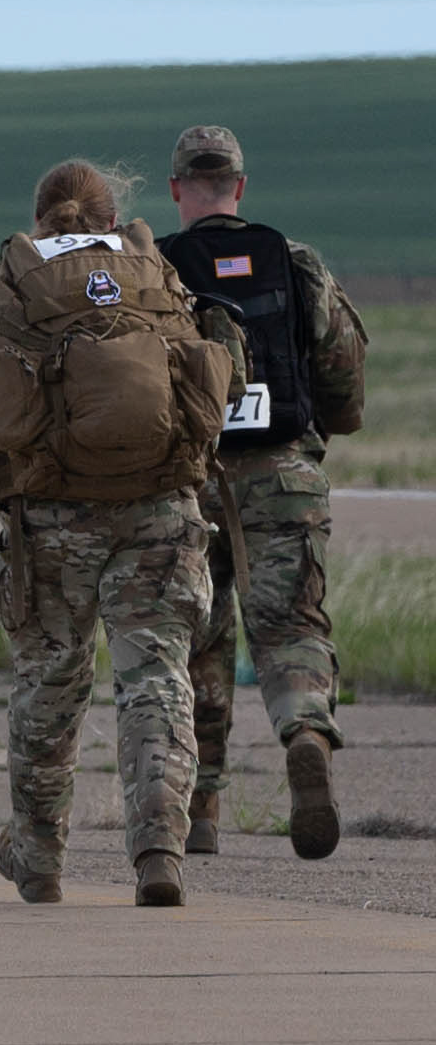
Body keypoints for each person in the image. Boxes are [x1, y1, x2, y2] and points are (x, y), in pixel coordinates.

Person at [0, 159, 245, 909]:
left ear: (40, 216)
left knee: (50, 682)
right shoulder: (153, 273)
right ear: (109, 212)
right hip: (161, 508)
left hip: (51, 520)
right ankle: (159, 845)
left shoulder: (13, 282)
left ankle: (37, 857)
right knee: (157, 678)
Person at [154, 125, 369, 861]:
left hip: (190, 483)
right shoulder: (293, 260)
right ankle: (304, 733)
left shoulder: (158, 270)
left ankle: (201, 807)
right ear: (239, 186)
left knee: (195, 643)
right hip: (283, 477)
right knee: (290, 628)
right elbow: (341, 384)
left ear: (177, 187)